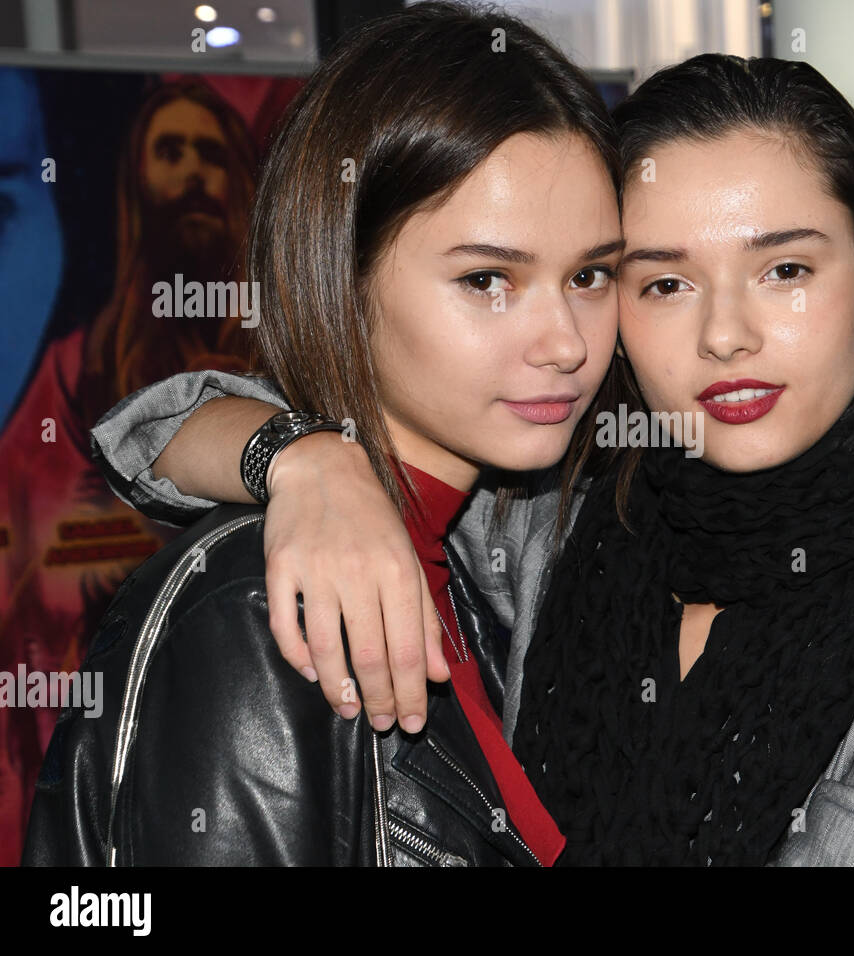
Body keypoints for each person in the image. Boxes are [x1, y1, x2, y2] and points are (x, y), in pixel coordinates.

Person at [83, 53, 854, 865]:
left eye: (785, 268)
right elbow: (147, 432)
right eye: (661, 283)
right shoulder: (552, 520)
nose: (726, 335)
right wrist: (306, 460)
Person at [23, 1, 624, 866]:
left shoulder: (486, 560)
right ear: (339, 277)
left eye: (591, 274)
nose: (566, 341)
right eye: (488, 277)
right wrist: (302, 460)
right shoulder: (270, 612)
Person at [0, 79, 260, 866]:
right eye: (169, 151)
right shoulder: (74, 369)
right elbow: (26, 555)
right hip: (101, 721)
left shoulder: (290, 357)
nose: (191, 173)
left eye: (211, 155)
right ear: (132, 183)